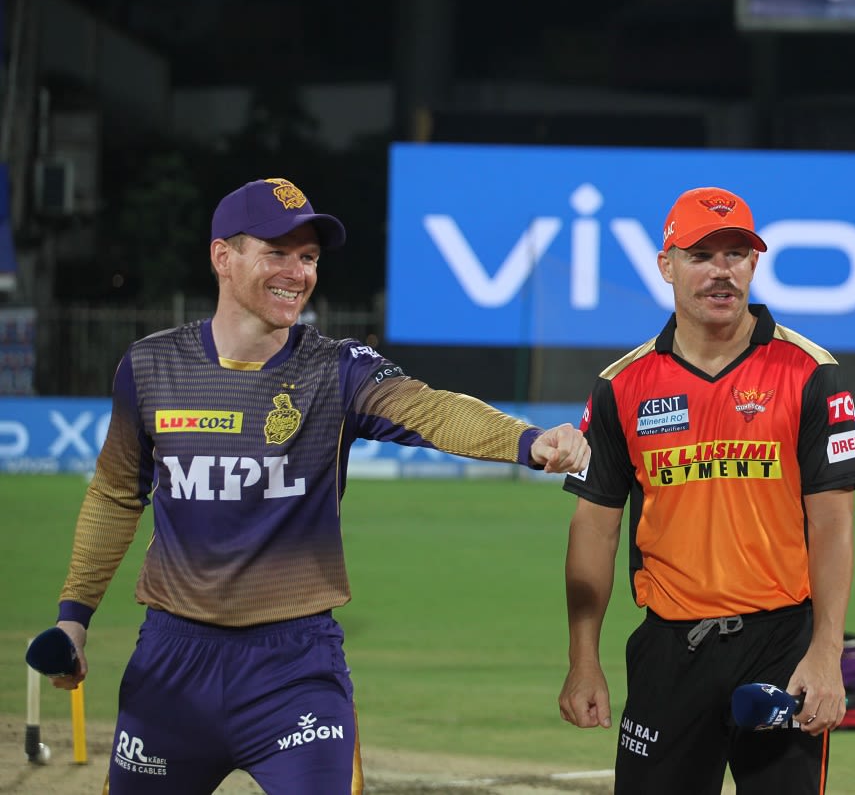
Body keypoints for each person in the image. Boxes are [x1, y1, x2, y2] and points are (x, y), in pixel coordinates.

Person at [44, 177, 590, 794]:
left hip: (295, 668)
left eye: (308, 257)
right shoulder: (149, 367)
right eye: (278, 252)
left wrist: (526, 440)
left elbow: (431, 409)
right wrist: (74, 619)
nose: (298, 272)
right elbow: (117, 494)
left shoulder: (337, 368)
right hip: (172, 664)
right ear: (223, 257)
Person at [557, 186, 855, 795]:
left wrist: (828, 654)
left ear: (755, 263)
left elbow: (832, 523)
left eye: (735, 254)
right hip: (670, 650)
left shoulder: (810, 372)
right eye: (701, 255)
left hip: (783, 647)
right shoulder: (620, 386)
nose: (720, 271)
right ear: (666, 264)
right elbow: (594, 526)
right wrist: (582, 658)